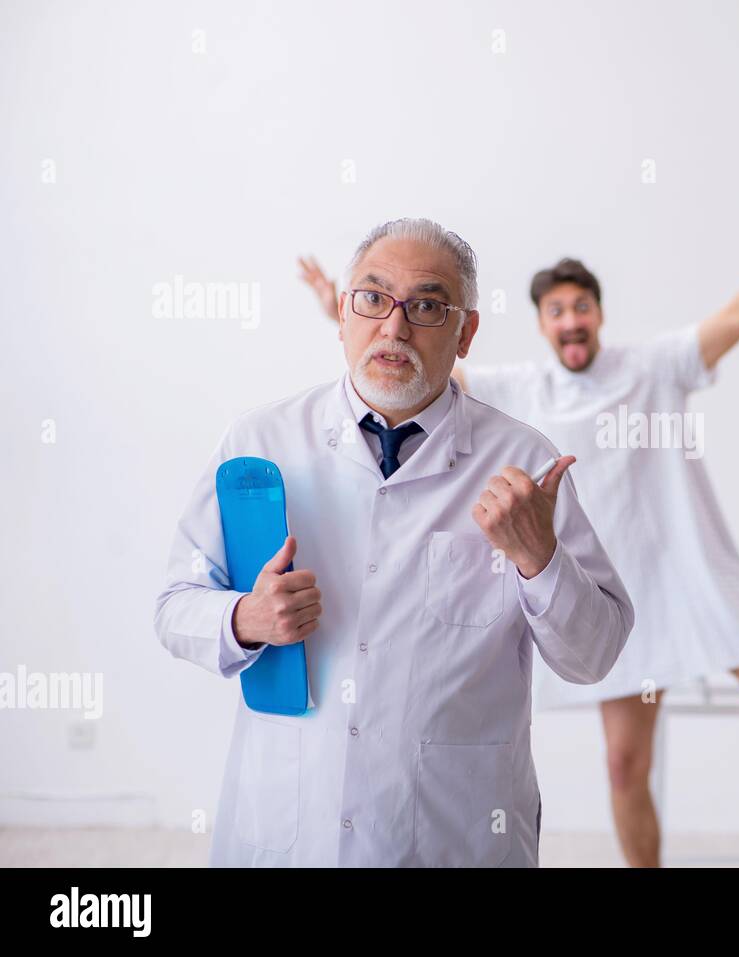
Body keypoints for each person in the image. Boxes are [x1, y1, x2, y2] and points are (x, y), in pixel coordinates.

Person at [300, 184, 739, 868]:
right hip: (611, 601)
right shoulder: (522, 390)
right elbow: (415, 358)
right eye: (556, 311)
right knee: (623, 766)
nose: (570, 319)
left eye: (581, 306)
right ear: (543, 324)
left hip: (687, 579)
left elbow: (735, 316)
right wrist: (342, 311)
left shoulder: (653, 368)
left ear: (598, 314)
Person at [158, 218, 633, 867]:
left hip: (454, 835)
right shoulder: (261, 442)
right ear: (343, 314)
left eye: (428, 306)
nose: (395, 327)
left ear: (465, 332)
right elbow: (174, 604)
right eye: (373, 298)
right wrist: (244, 617)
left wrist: (538, 559)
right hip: (290, 831)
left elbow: (596, 653)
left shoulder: (523, 461)